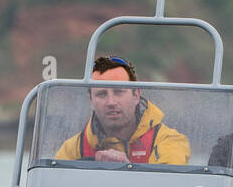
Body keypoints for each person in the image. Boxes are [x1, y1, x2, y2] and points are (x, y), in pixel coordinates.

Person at [53, 56, 190, 165]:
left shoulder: (170, 141)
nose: (111, 102)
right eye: (101, 94)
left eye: (119, 92)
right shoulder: (71, 149)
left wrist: (126, 169)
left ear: (136, 95)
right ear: (91, 100)